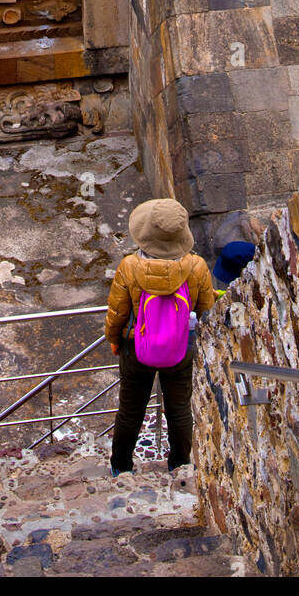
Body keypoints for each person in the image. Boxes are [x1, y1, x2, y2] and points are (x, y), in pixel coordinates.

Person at [104, 197, 217, 476]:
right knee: (179, 409)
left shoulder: (130, 266)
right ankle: (179, 464)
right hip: (180, 347)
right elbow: (207, 311)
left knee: (130, 410)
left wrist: (114, 339)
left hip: (135, 346)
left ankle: (121, 467)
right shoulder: (197, 266)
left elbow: (117, 311)